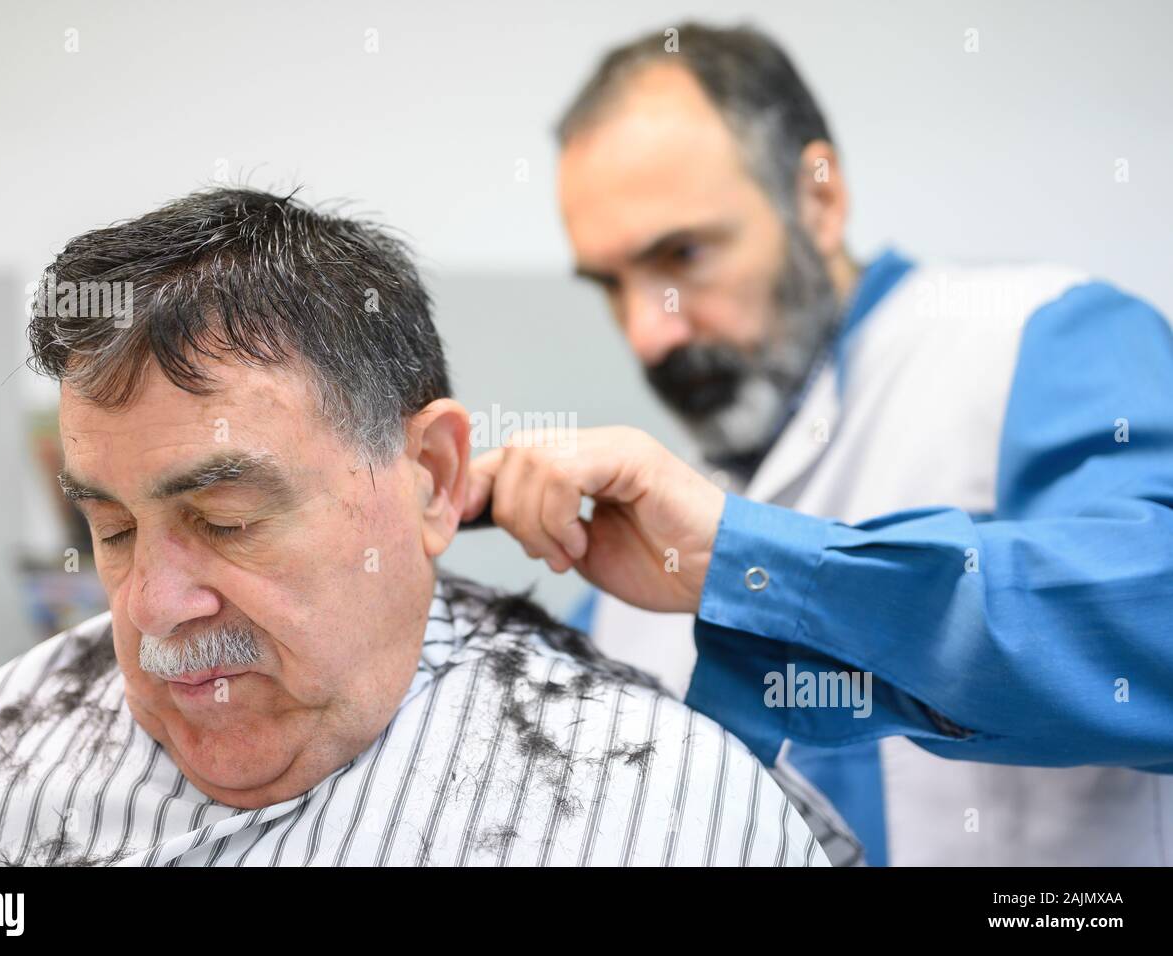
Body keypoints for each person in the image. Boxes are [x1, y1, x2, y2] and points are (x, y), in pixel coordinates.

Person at [0, 187, 831, 867]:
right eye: (112, 529)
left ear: (431, 477)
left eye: (227, 519)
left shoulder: (652, 805)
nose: (154, 609)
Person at [462, 23, 1173, 866]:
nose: (649, 334)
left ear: (820, 199)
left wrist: (751, 563)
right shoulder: (624, 568)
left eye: (682, 254)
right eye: (612, 285)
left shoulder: (1039, 336)